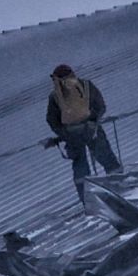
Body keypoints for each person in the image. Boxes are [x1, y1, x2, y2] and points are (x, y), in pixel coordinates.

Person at [43, 63, 123, 194]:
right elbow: (100, 106)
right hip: (93, 130)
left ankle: (88, 199)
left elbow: (52, 120)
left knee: (81, 170)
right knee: (107, 160)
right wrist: (93, 122)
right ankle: (120, 188)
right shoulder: (86, 86)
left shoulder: (55, 96)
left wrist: (64, 134)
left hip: (72, 137)